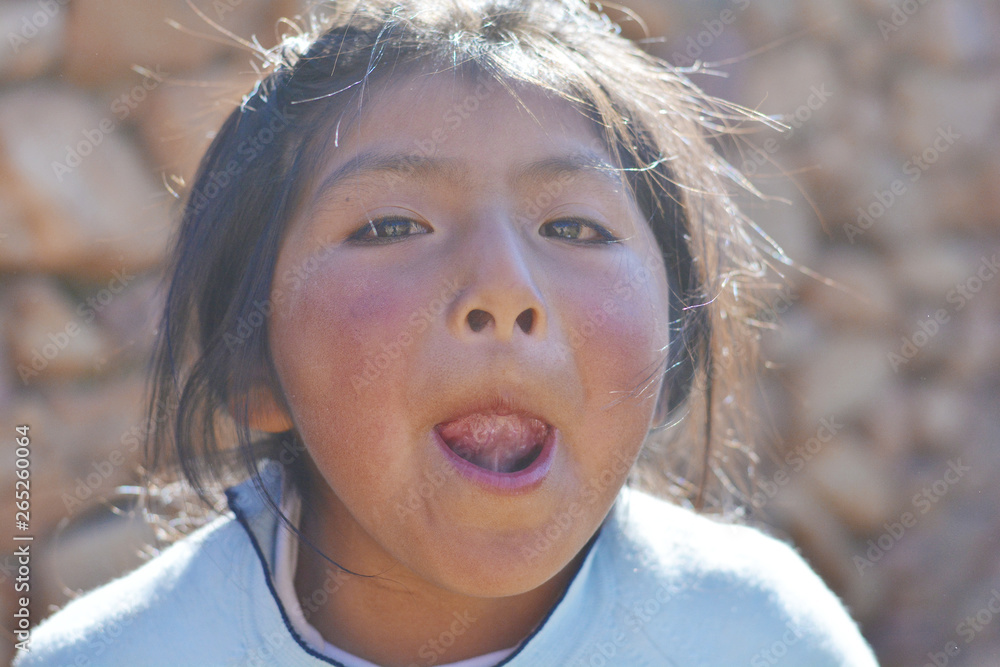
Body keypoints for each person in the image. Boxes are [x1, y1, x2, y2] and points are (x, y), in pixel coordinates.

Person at [17, 0, 879, 664]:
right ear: (255, 365)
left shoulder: (759, 636)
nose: (503, 289)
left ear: (671, 343)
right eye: (392, 225)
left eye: (575, 227)